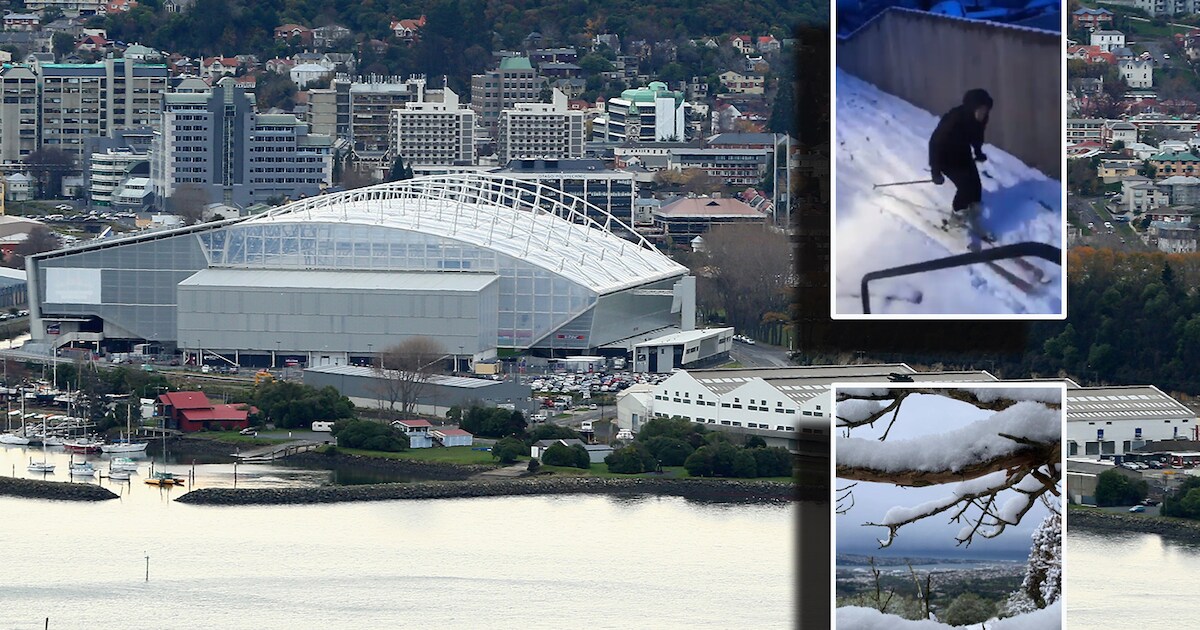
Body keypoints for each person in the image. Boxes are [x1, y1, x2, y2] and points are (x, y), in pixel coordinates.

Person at [929, 88, 993, 248]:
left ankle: (973, 214)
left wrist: (977, 151)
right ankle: (956, 219)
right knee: (965, 187)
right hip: (945, 157)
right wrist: (935, 170)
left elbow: (977, 135)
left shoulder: (981, 119)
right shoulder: (954, 119)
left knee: (976, 186)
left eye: (985, 110)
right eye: (980, 110)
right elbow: (935, 143)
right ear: (972, 108)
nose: (983, 114)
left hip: (962, 153)